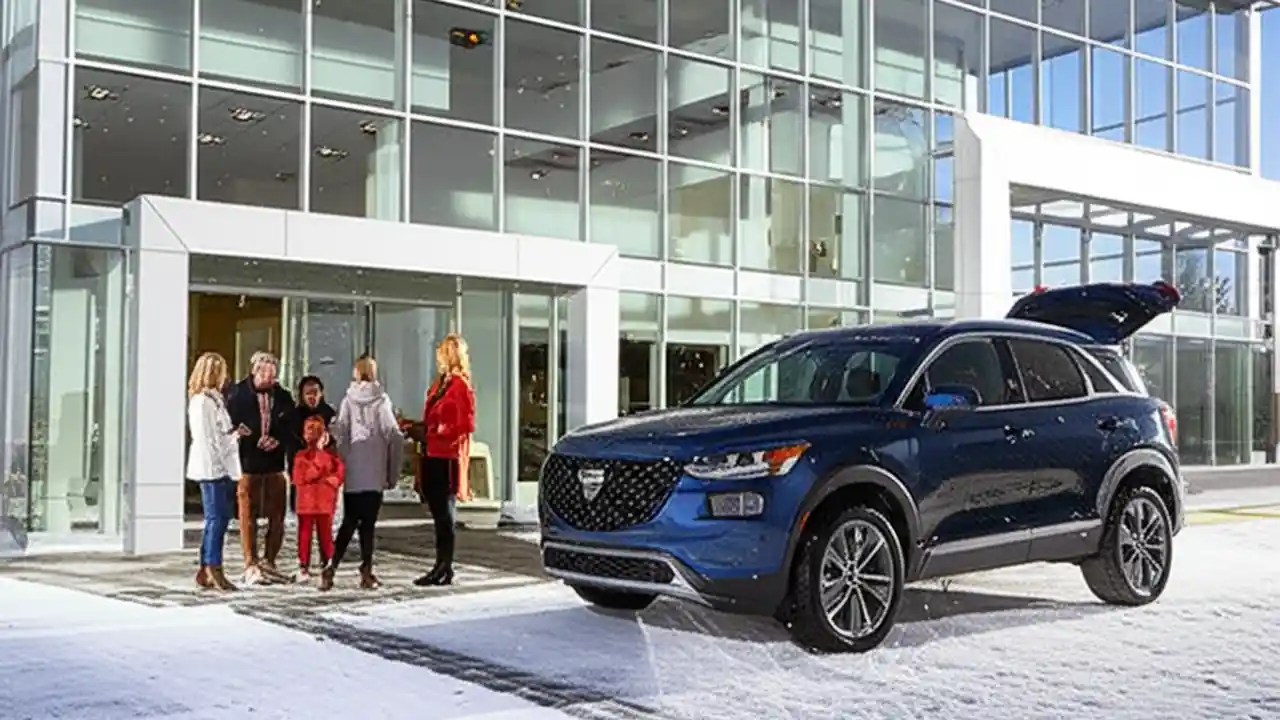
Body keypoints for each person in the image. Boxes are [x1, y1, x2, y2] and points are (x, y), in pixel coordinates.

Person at [322, 355, 403, 591]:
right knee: (368, 524)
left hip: (354, 472)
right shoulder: (382, 401)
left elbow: (342, 434)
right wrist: (392, 471)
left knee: (349, 522)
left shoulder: (348, 401)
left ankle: (332, 566)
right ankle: (366, 570)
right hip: (375, 471)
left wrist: (345, 462)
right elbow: (394, 435)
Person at [225, 351, 295, 585]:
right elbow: (229, 424)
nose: (270, 379)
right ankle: (250, 563)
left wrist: (278, 438)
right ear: (255, 371)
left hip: (275, 463)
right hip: (248, 463)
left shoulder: (283, 396)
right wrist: (247, 435)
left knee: (277, 515)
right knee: (248, 516)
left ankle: (270, 560)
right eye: (266, 374)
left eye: (274, 375)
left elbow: (291, 425)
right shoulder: (237, 393)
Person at [413, 334, 476, 587]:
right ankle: (441, 565)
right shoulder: (440, 384)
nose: (440, 358)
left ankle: (444, 566)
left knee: (445, 515)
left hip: (447, 456)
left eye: (444, 353)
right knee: (438, 512)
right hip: (432, 452)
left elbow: (466, 424)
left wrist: (438, 429)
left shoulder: (460, 386)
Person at [186, 351, 248, 592]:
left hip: (221, 466)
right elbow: (210, 439)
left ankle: (206, 568)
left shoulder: (214, 400)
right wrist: (232, 438)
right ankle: (213, 566)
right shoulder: (202, 402)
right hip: (213, 468)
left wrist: (233, 435)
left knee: (218, 519)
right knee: (217, 519)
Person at [292, 415, 344, 583]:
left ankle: (327, 563)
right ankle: (305, 564)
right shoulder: (302, 456)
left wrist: (329, 481)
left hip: (322, 501)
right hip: (309, 502)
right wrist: (325, 477)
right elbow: (304, 477)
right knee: (306, 534)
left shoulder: (329, 457)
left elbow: (338, 475)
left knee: (324, 534)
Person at [287, 375, 337, 514]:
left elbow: (335, 441)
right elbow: (291, 447)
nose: (311, 397)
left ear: (321, 393)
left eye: (315, 393)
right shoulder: (293, 416)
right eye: (307, 393)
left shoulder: (329, 414)